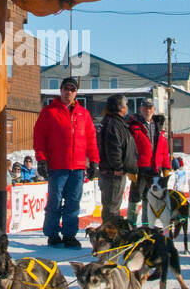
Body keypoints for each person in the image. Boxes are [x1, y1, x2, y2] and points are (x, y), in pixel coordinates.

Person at [33, 75, 99, 249]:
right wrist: (42, 159)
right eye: (66, 89)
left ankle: (70, 235)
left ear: (76, 92)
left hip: (77, 168)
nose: (69, 92)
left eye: (72, 89)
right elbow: (39, 137)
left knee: (73, 202)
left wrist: (94, 161)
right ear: (60, 90)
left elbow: (91, 139)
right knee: (54, 202)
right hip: (57, 166)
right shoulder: (49, 112)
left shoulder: (84, 114)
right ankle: (52, 234)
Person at [127, 97, 170, 227]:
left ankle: (147, 224)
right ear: (140, 109)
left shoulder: (158, 126)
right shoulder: (133, 126)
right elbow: (129, 148)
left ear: (154, 109)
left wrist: (166, 166)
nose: (147, 110)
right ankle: (131, 224)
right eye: (145, 108)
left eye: (150, 108)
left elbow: (164, 149)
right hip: (140, 167)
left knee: (150, 197)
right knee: (136, 196)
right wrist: (130, 168)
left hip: (155, 168)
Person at [97, 94, 138, 219]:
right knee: (111, 208)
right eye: (125, 105)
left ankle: (111, 233)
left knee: (112, 206)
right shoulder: (113, 124)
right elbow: (113, 148)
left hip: (114, 172)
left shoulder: (116, 122)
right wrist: (118, 168)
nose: (127, 107)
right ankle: (110, 235)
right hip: (113, 174)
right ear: (120, 107)